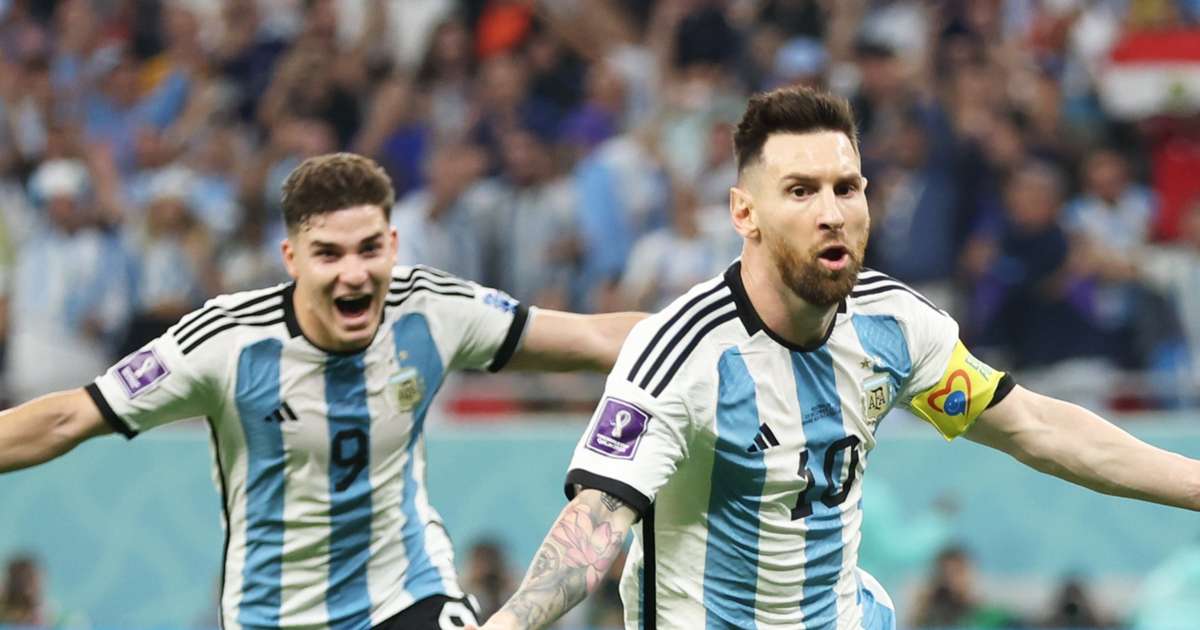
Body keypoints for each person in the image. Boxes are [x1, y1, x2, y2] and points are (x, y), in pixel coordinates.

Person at [471, 87, 1200, 630]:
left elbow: (1038, 428)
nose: (831, 213)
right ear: (744, 213)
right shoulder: (682, 354)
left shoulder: (895, 327)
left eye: (845, 188)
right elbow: (593, 528)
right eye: (800, 191)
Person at [0, 153, 644, 630]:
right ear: (291, 258)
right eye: (329, 254)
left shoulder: (432, 309)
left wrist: (698, 329)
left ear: (393, 245)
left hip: (406, 593)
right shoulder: (227, 342)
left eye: (369, 249)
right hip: (274, 614)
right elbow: (68, 417)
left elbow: (592, 337)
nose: (354, 273)